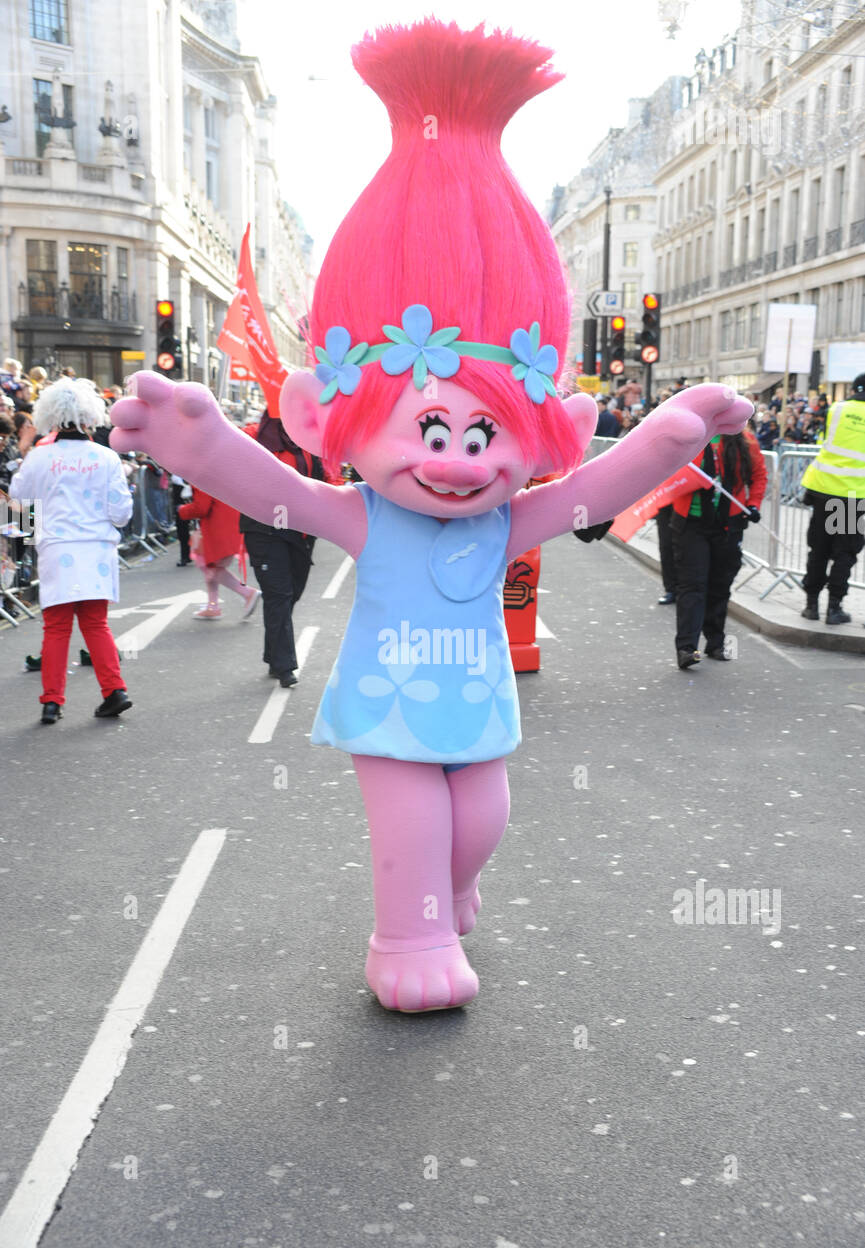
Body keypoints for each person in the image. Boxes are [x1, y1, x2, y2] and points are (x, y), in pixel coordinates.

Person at [110, 19, 751, 1013]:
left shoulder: (505, 518)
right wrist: (194, 444)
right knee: (410, 821)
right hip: (387, 702)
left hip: (477, 703)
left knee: (479, 819)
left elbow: (590, 492)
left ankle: (448, 893)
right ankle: (403, 935)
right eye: (430, 426)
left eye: (485, 431)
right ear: (334, 417)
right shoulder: (365, 511)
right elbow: (280, 496)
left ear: (544, 428)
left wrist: (669, 434)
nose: (456, 457)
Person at [8, 377, 134, 723]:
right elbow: (122, 514)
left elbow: (18, 501)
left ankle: (52, 701)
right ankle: (114, 690)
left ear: (49, 415)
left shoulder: (38, 457)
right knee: (96, 623)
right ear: (89, 417)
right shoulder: (106, 457)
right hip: (96, 551)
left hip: (56, 549)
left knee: (57, 627)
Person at [238, 410, 324, 687]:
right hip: (264, 528)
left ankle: (273, 653)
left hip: (299, 531)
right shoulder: (255, 439)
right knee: (279, 595)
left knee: (291, 594)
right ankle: (284, 666)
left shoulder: (308, 443)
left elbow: (320, 483)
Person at [670, 429, 767, 669]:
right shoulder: (689, 437)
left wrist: (753, 504)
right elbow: (669, 474)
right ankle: (686, 648)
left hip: (728, 523)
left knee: (719, 585)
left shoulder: (745, 440)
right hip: (691, 524)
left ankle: (715, 643)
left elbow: (758, 475)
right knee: (692, 584)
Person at [799, 374, 865, 625]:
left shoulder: (837, 409)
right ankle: (834, 608)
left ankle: (811, 605)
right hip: (852, 496)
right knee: (844, 552)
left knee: (819, 549)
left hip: (822, 489)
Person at [177, 485, 259, 620]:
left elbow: (202, 507)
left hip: (217, 527)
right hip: (223, 523)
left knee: (209, 566)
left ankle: (247, 593)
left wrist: (182, 510)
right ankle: (212, 605)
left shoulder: (201, 475)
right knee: (209, 565)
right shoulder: (213, 471)